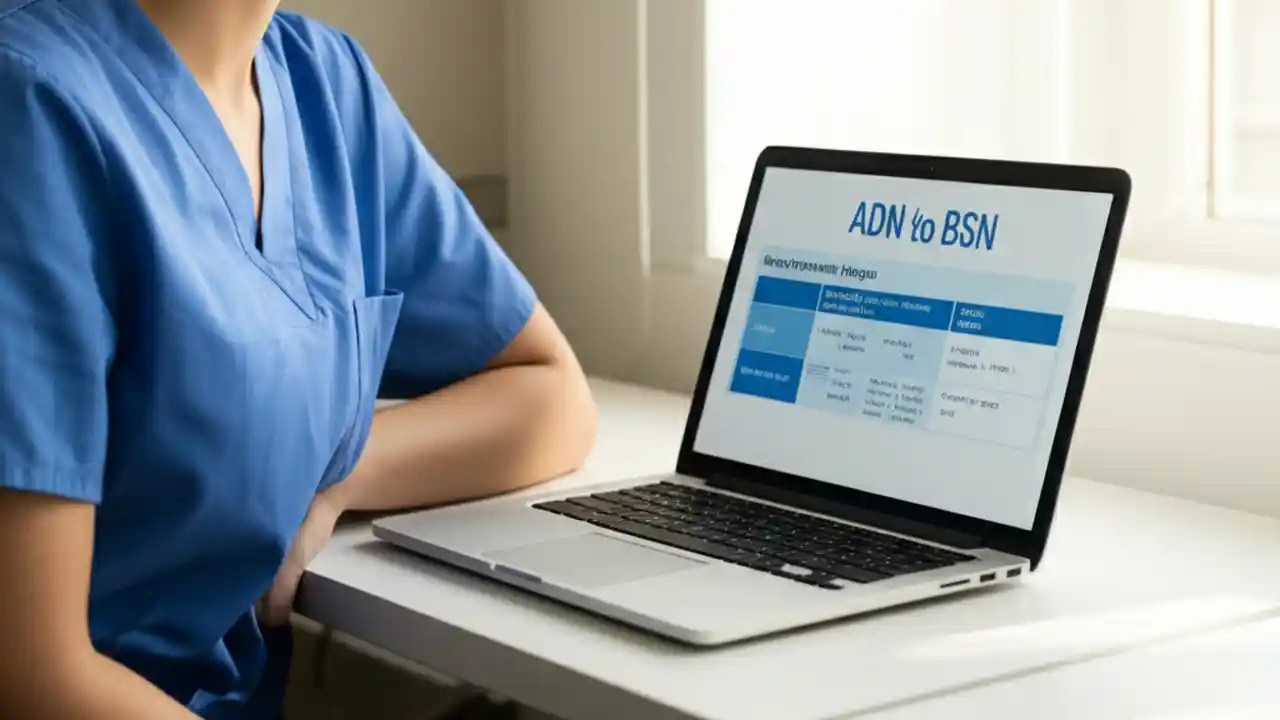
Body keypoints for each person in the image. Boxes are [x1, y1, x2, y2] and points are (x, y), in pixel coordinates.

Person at [0, 0, 597, 717]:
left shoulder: (323, 84)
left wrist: (336, 476)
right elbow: (32, 674)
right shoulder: (29, 105)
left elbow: (549, 396)